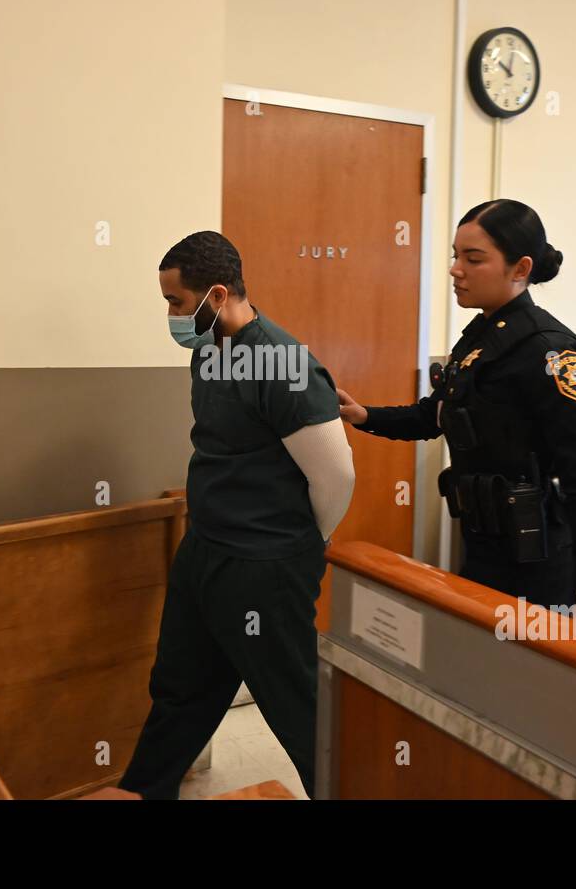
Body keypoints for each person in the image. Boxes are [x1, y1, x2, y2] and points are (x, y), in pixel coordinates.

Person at [119, 230, 355, 799]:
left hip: (264, 566)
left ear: (217, 294)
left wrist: (295, 546)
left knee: (294, 705)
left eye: (177, 302)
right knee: (181, 688)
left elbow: (336, 476)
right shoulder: (209, 352)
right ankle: (141, 792)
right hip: (206, 552)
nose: (173, 315)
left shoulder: (285, 364)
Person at [339, 199, 576, 622]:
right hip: (483, 549)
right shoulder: (478, 341)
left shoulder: (551, 351)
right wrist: (366, 416)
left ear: (520, 268)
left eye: (473, 258)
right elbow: (436, 416)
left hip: (538, 563)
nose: (456, 269)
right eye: (455, 256)